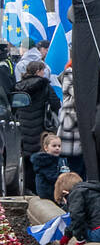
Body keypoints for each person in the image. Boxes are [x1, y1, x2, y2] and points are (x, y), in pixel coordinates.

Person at [16, 59, 60, 194]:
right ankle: (41, 189)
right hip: (40, 128)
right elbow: (55, 104)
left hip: (24, 128)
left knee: (27, 159)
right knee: (40, 158)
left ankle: (28, 189)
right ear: (38, 71)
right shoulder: (45, 86)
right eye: (42, 70)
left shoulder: (19, 86)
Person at [57, 61, 85, 178]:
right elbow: (79, 94)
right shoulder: (70, 74)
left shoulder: (74, 75)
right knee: (75, 165)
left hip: (76, 124)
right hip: (72, 125)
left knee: (79, 165)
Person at [32, 130, 68, 200]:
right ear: (46, 148)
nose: (57, 148)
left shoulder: (60, 160)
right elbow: (52, 177)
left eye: (59, 146)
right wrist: (64, 177)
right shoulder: (45, 161)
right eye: (54, 146)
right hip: (47, 192)